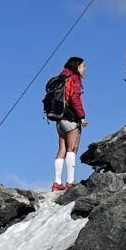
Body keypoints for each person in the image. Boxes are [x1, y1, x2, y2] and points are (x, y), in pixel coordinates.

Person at [45, 55, 87, 193]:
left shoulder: (61, 77)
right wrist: (82, 116)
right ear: (77, 66)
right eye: (83, 66)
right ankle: (70, 182)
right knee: (72, 149)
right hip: (71, 118)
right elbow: (75, 98)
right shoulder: (74, 78)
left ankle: (57, 183)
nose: (84, 69)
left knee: (61, 149)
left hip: (59, 119)